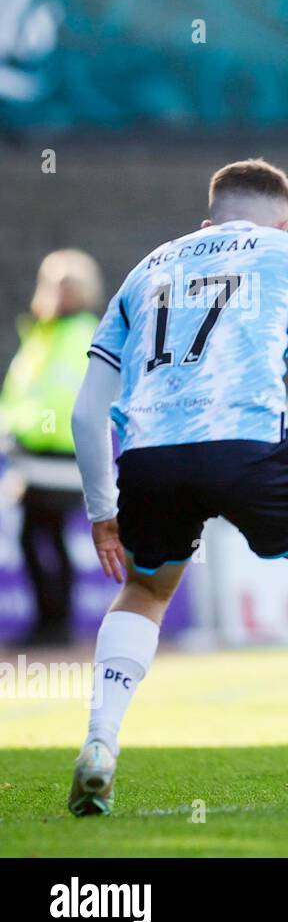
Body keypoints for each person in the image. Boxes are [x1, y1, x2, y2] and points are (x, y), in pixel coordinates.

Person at [66, 159, 288, 815]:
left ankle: (100, 742)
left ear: (209, 219)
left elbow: (87, 411)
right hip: (247, 444)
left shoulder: (148, 268)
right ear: (282, 221)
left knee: (145, 588)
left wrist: (101, 510)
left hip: (149, 458)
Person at [1, 250, 104, 646]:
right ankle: (50, 622)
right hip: (32, 454)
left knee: (45, 535)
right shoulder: (42, 334)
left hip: (57, 454)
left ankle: (56, 624)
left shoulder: (79, 333)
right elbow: (19, 392)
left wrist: (23, 431)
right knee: (36, 536)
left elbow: (63, 400)